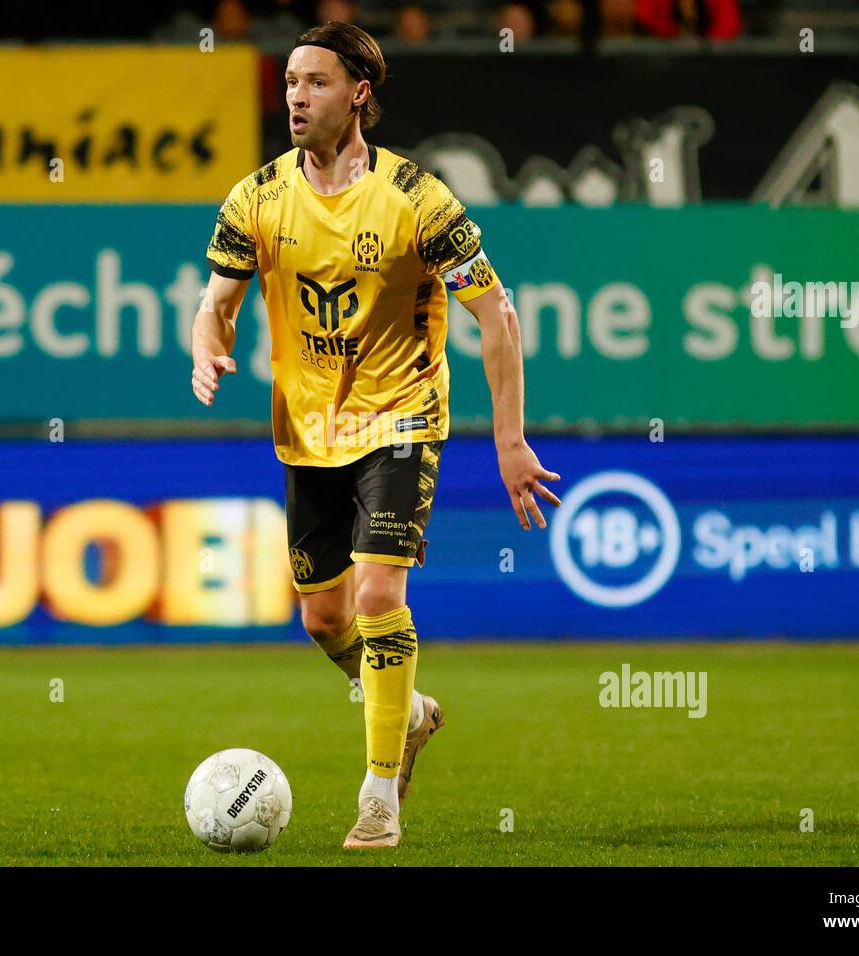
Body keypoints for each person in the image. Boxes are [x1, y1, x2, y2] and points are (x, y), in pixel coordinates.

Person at [191, 20, 560, 849]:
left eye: (315, 82)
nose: (295, 95)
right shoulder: (256, 199)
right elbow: (214, 301)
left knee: (378, 597)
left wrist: (510, 441)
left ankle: (378, 795)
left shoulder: (419, 201)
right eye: (290, 81)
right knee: (325, 622)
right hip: (305, 429)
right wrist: (207, 344)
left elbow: (495, 313)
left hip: (402, 415)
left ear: (359, 93)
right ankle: (414, 711)